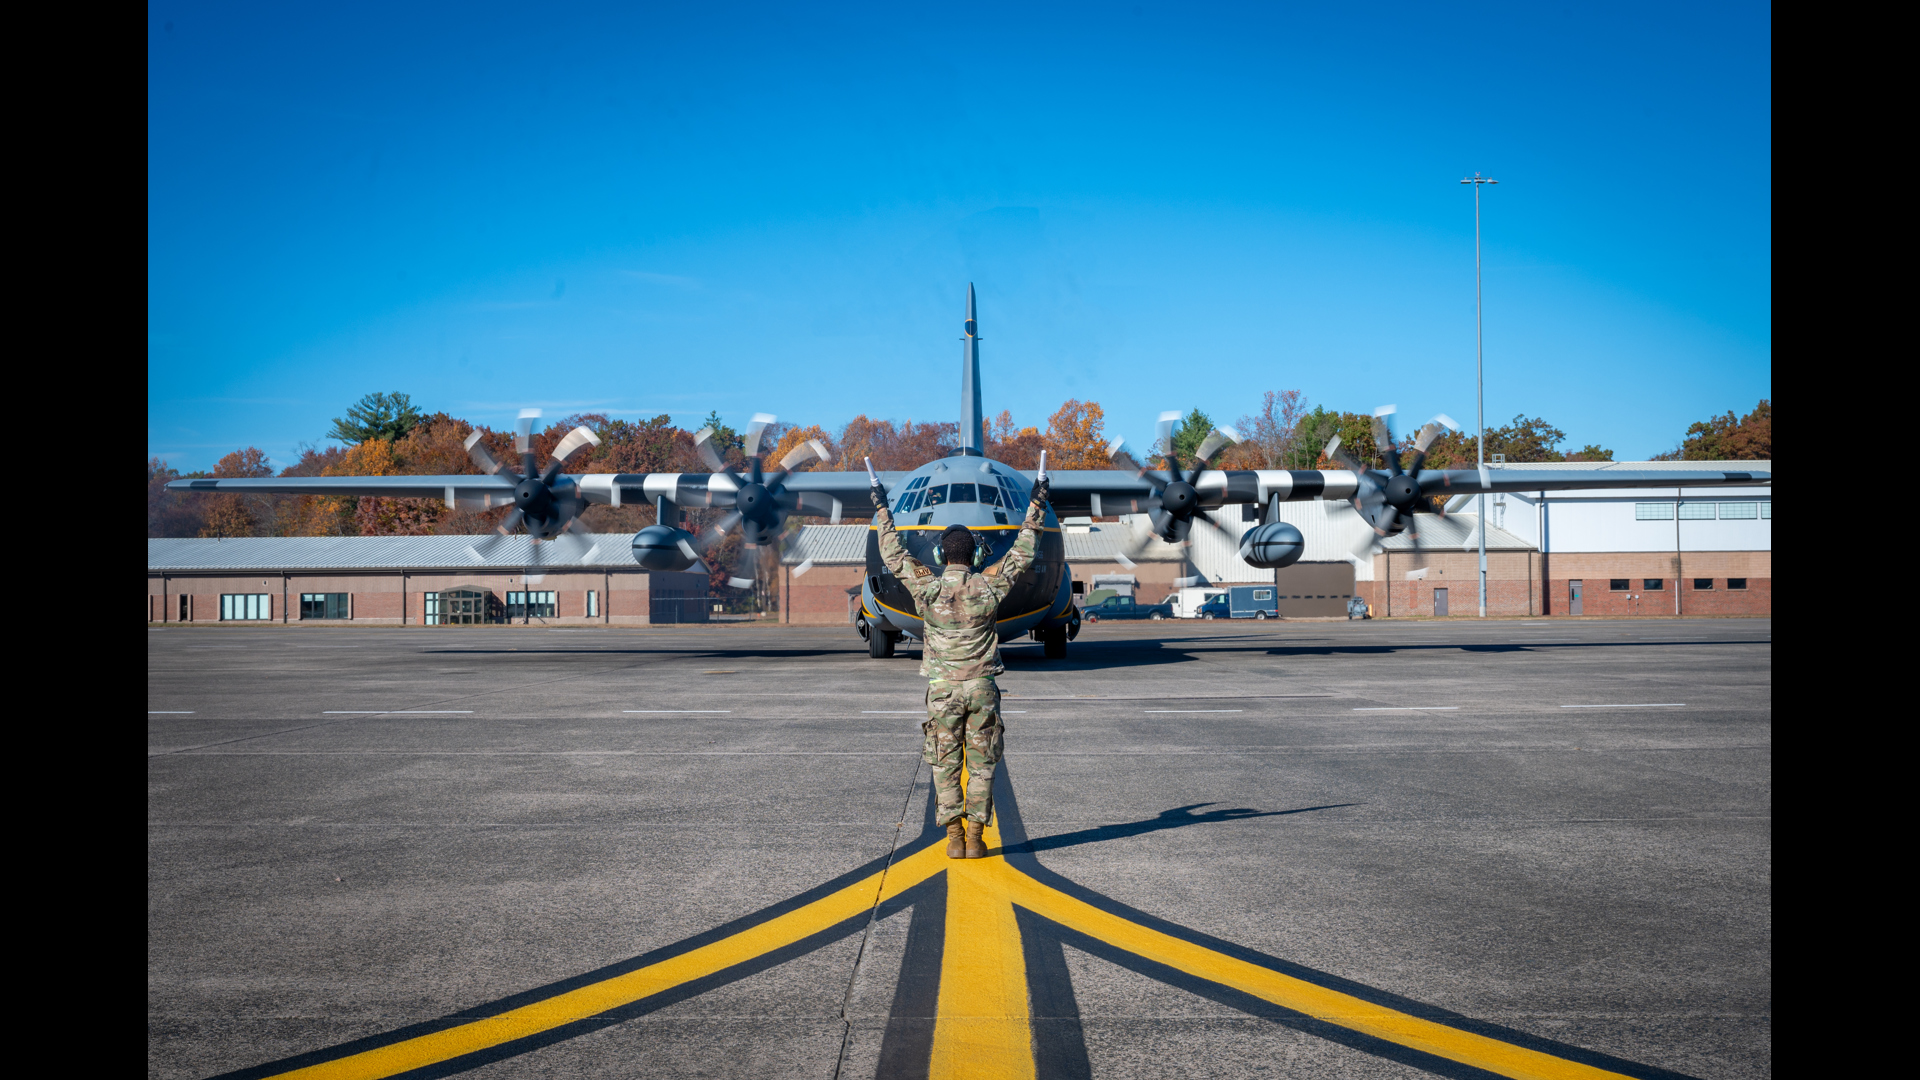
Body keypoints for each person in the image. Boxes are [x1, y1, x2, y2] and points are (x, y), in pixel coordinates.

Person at [869, 467, 1050, 858]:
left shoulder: (928, 588)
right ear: (977, 555)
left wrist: (883, 507)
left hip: (943, 690)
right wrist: (1036, 503)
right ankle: (974, 838)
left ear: (939, 555)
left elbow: (892, 552)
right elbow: (1025, 549)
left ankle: (953, 838)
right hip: (982, 688)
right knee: (983, 764)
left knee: (943, 762)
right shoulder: (988, 585)